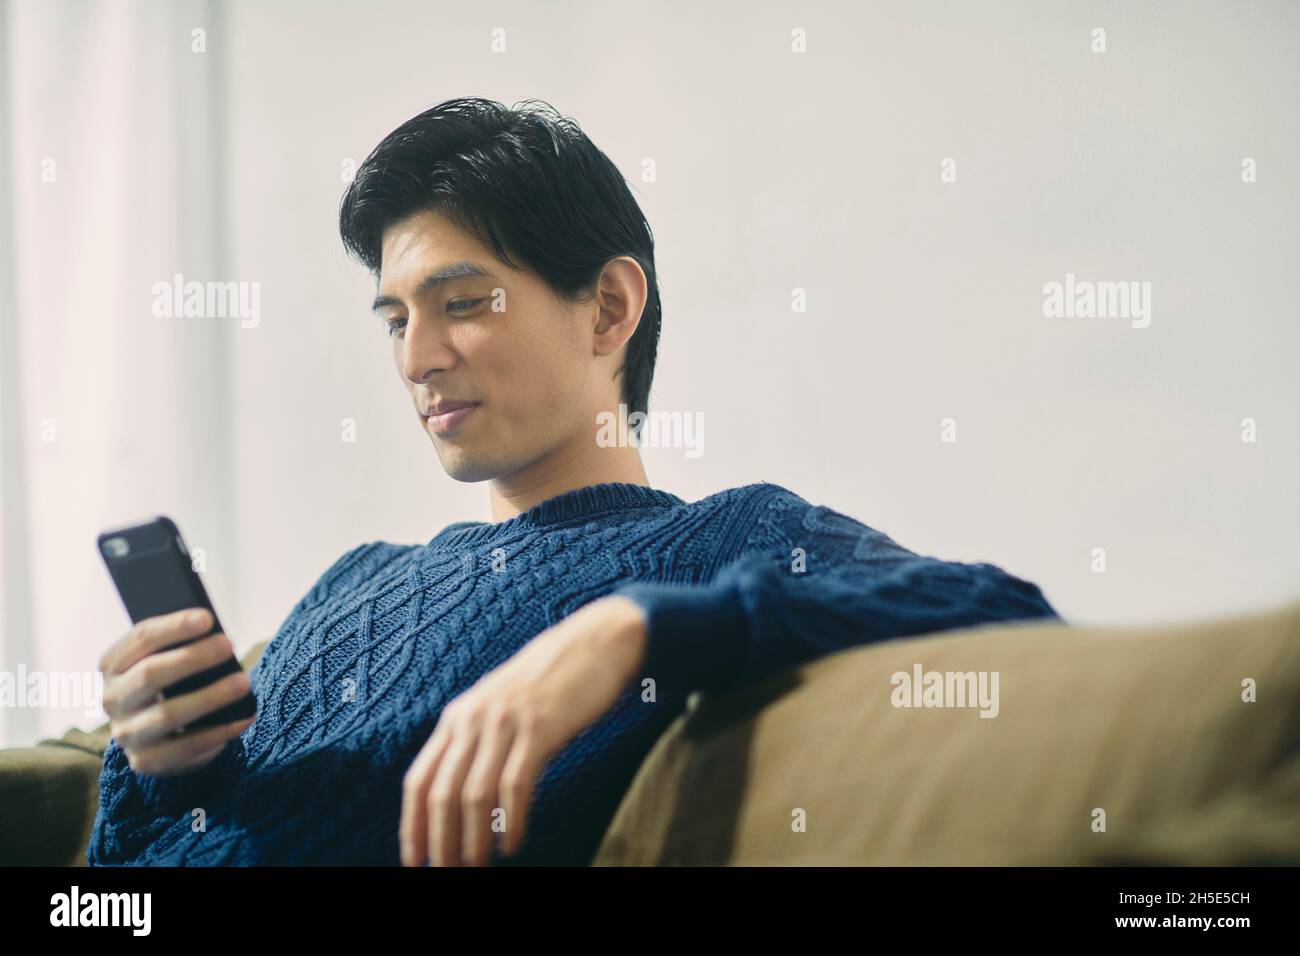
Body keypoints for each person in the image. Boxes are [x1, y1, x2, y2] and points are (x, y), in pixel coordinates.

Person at [88, 97, 1060, 867]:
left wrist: (631, 625)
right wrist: (163, 768)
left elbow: (1004, 612)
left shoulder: (719, 543)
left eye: (461, 303)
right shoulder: (354, 580)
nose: (416, 357)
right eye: (393, 320)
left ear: (607, 308)